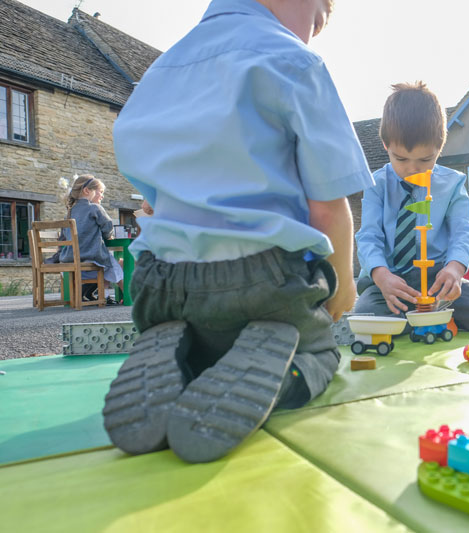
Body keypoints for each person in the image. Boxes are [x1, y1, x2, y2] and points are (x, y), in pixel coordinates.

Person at [106, 0, 373, 463]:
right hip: (262, 278)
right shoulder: (294, 61)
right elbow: (329, 208)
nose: (314, 34)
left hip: (158, 285)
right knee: (318, 350)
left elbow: (149, 199)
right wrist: (343, 286)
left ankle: (182, 358)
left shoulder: (159, 73)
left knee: (214, 348)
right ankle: (292, 365)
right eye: (318, 20)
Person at [354, 82, 469, 334]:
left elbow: (463, 231)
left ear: (439, 149)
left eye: (425, 159)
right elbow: (369, 236)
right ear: (386, 146)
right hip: (391, 282)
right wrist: (381, 276)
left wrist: (454, 268)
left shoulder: (452, 184)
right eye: (401, 159)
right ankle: (431, 319)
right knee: (366, 315)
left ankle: (429, 317)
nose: (412, 168)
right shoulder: (376, 185)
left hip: (436, 282)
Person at [60, 175, 123, 305]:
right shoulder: (94, 208)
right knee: (111, 263)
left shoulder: (69, 212)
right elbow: (107, 227)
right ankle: (129, 295)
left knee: (106, 259)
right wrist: (108, 236)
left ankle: (96, 295)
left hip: (70, 258)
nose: (102, 195)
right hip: (91, 256)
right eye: (101, 192)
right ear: (87, 191)